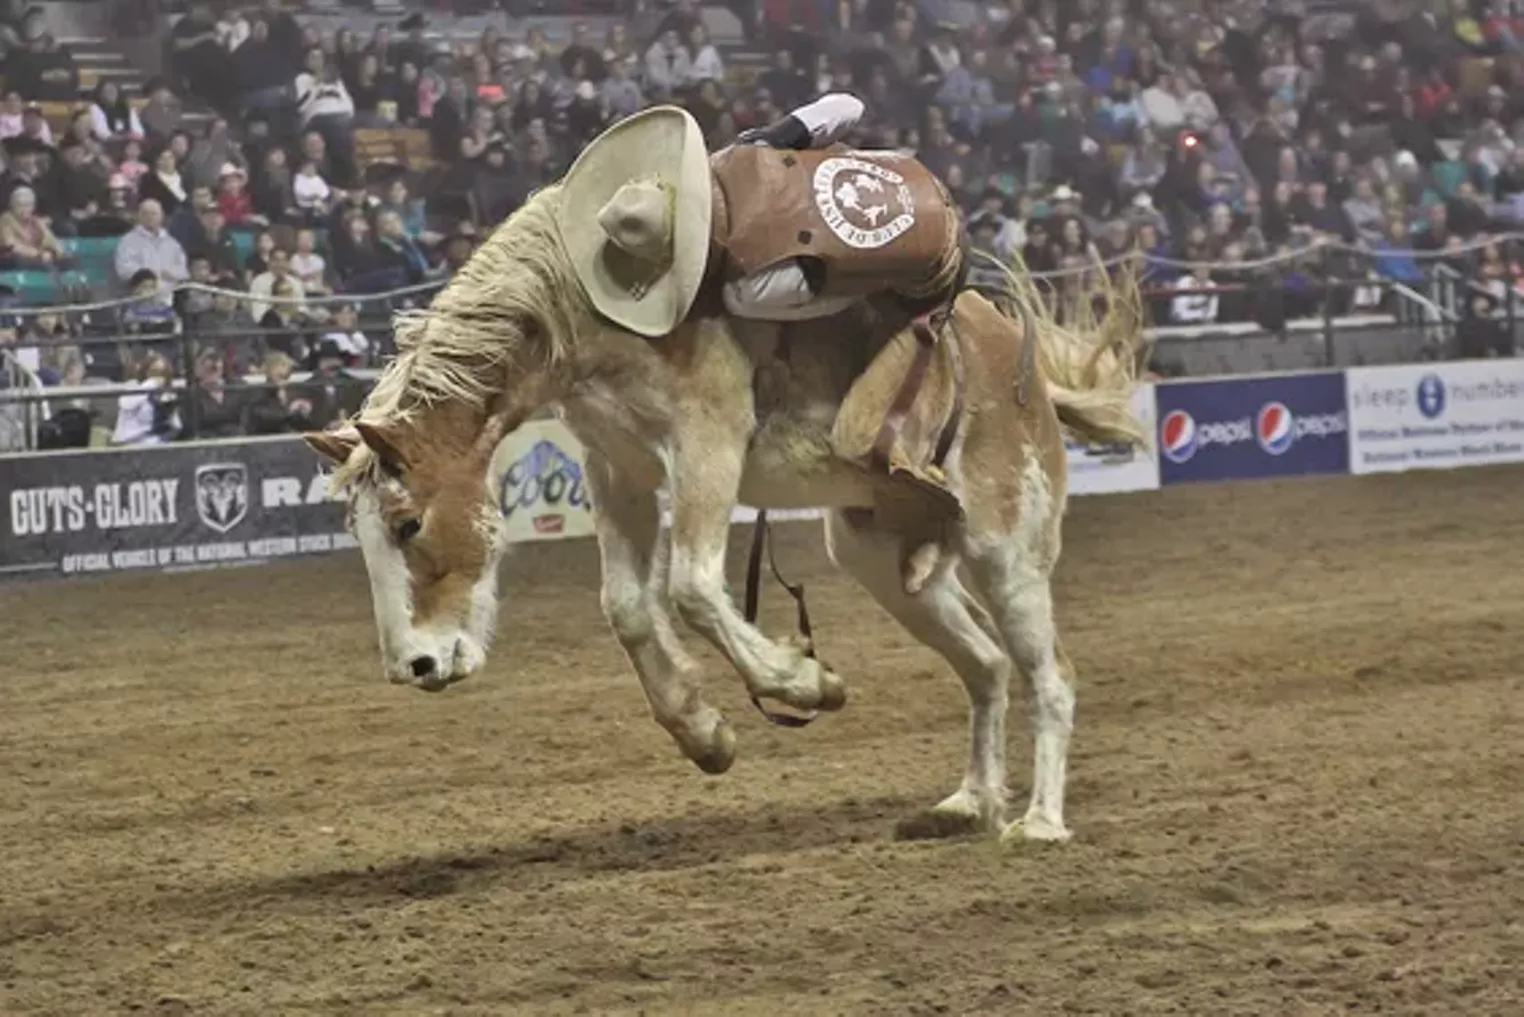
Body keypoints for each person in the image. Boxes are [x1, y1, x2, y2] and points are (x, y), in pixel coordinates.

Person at [557, 98, 962, 338]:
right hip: (918, 179)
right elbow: (848, 105)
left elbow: (833, 301)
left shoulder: (745, 289)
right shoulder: (750, 147)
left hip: (930, 261)